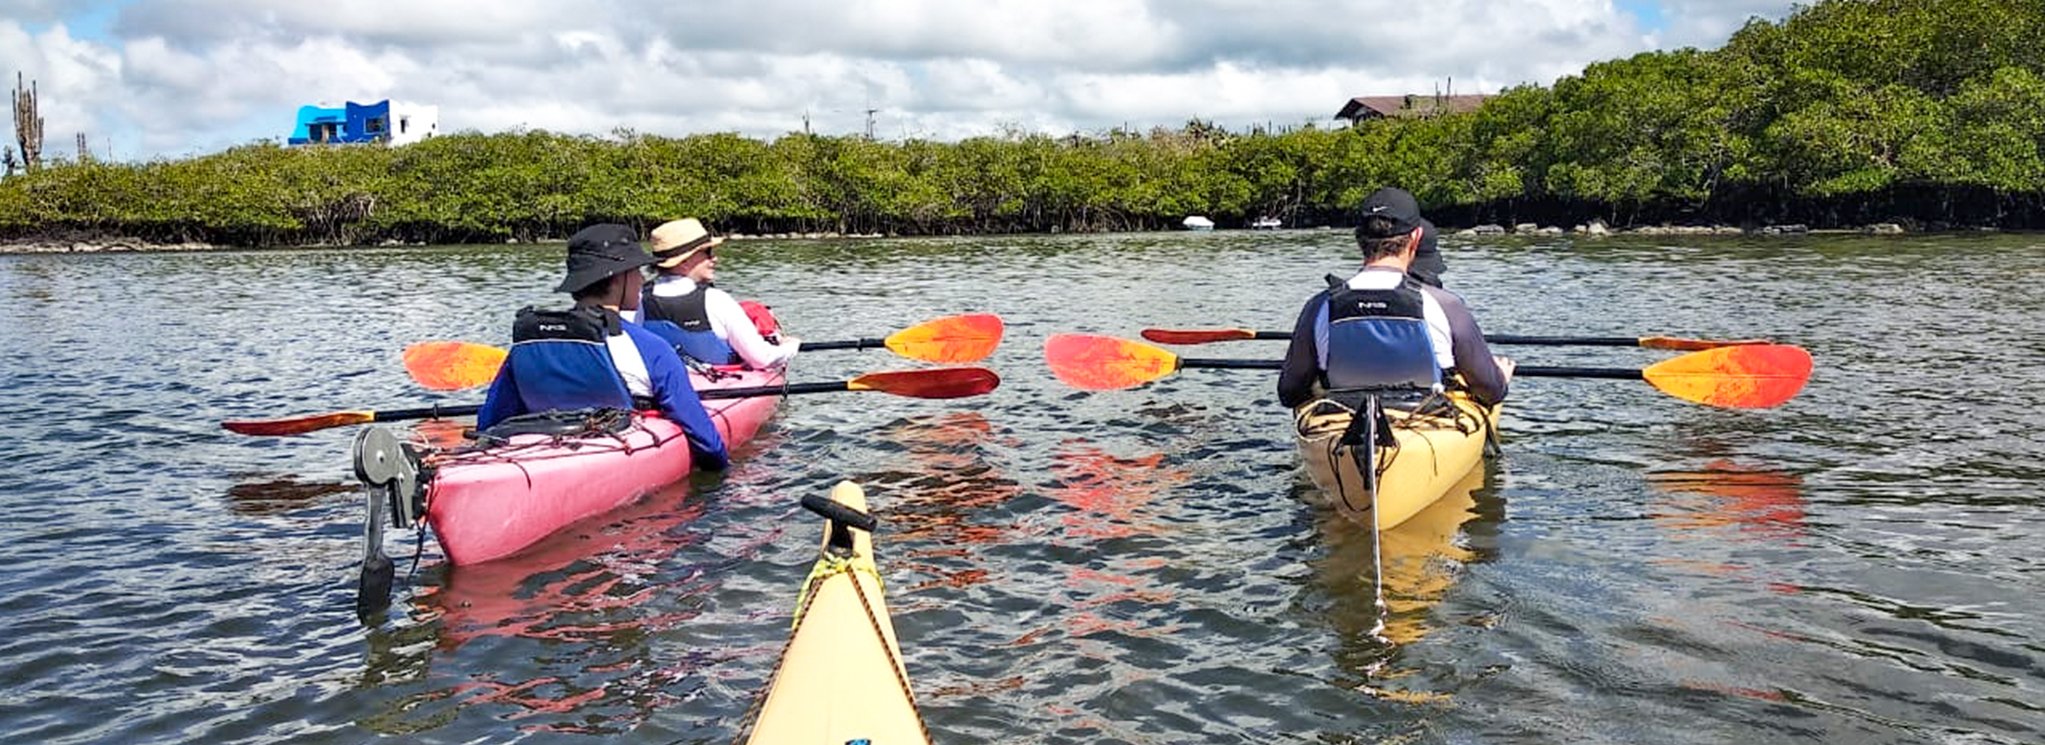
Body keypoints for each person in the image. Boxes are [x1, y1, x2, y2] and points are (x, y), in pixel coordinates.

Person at [476, 223, 730, 470]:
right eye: (637, 272)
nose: (642, 281)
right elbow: (708, 444)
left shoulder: (529, 343)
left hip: (535, 455)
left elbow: (489, 423)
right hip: (616, 457)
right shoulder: (650, 348)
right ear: (619, 278)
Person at [1278, 187, 1513, 410]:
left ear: (1359, 238)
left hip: (1343, 425)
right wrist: (1500, 377)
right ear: (1416, 237)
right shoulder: (1446, 304)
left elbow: (1290, 393)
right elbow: (1489, 390)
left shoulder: (1318, 306)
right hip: (1423, 422)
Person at [629, 218, 800, 370]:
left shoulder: (638, 299)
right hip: (721, 389)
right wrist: (791, 346)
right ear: (685, 261)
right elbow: (762, 359)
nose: (715, 259)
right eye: (708, 253)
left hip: (665, 392)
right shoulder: (716, 300)